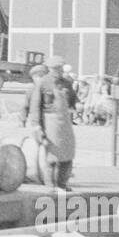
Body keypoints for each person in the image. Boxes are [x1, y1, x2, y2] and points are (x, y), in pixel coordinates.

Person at [28, 56, 77, 191]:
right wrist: (36, 125)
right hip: (50, 121)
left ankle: (62, 183)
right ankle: (50, 185)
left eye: (60, 68)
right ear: (50, 69)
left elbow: (73, 99)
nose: (59, 71)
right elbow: (35, 106)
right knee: (52, 155)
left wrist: (73, 106)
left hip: (65, 122)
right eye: (56, 68)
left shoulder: (66, 83)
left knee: (68, 153)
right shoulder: (43, 83)